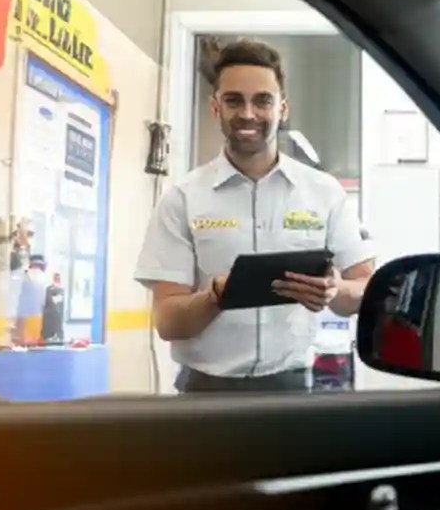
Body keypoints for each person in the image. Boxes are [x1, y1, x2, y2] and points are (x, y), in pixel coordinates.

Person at [134, 38, 374, 393]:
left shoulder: (324, 192)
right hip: (204, 392)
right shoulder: (182, 199)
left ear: (283, 109)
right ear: (216, 107)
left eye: (262, 100)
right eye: (234, 100)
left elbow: (366, 287)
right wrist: (216, 295)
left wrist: (335, 288)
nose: (248, 114)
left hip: (292, 389)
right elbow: (167, 322)